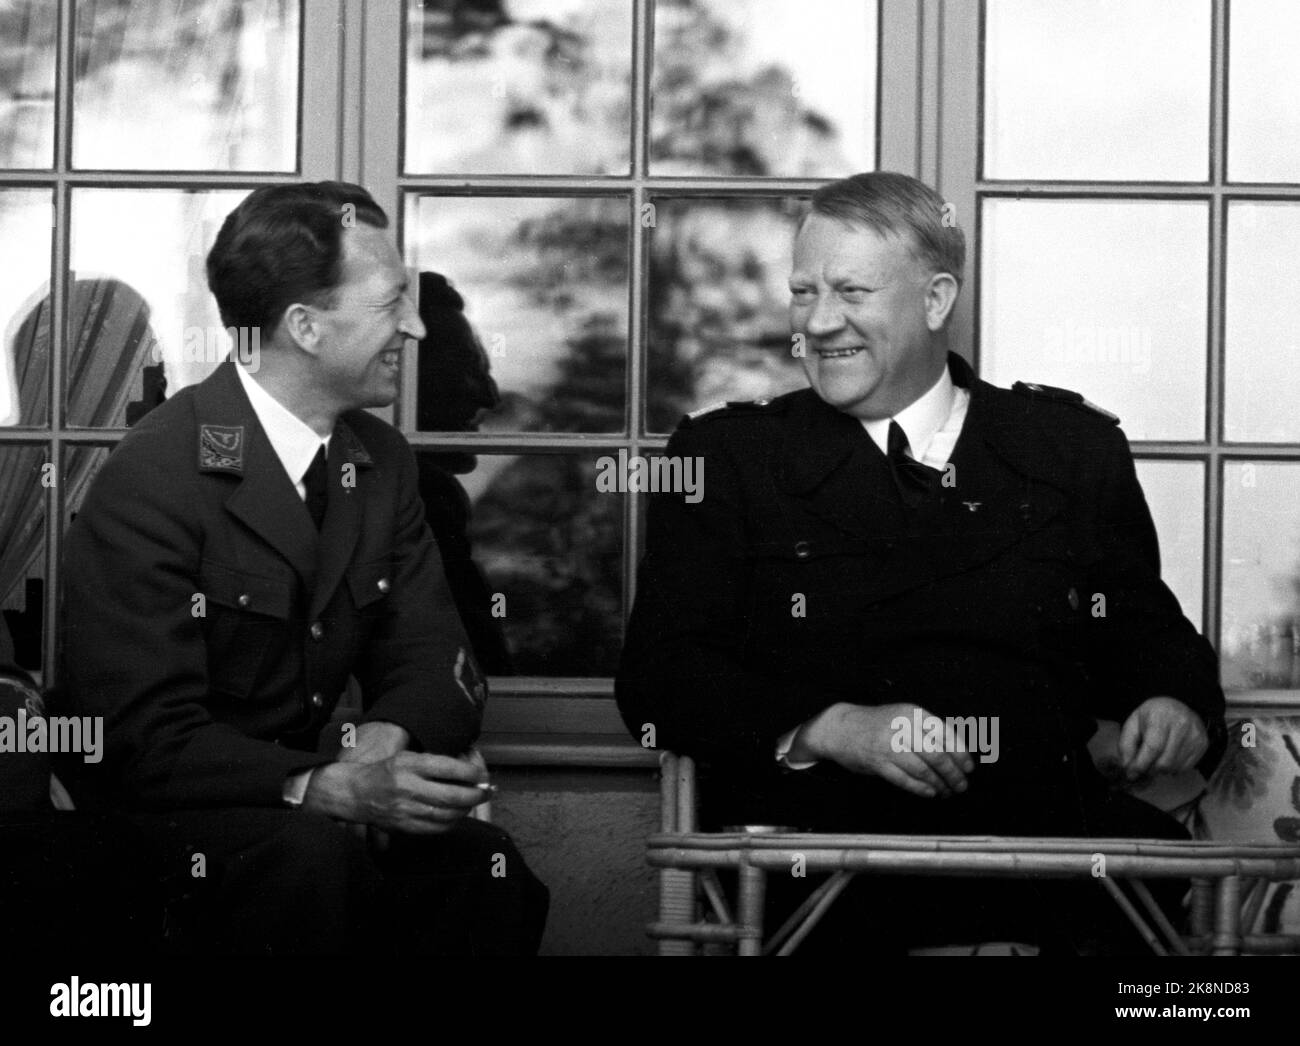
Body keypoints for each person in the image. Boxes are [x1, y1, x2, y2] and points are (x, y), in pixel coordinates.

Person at [616, 170, 1226, 954]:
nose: (818, 322)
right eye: (803, 293)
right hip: (825, 879)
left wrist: (1169, 704)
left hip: (1055, 865)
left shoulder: (1069, 451)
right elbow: (659, 679)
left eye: (852, 292)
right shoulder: (729, 458)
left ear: (936, 300)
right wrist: (831, 728)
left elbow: (1150, 642)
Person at [53, 181, 547, 956]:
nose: (415, 329)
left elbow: (440, 660)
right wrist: (319, 786)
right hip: (166, 832)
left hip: (313, 822)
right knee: (308, 861)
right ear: (306, 327)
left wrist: (386, 738)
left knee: (482, 871)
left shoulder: (379, 464)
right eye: (392, 304)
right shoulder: (157, 474)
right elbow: (141, 742)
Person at [413, 271, 513, 675]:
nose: (488, 394)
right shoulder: (419, 503)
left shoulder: (433, 498)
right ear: (405, 380)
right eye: (466, 368)